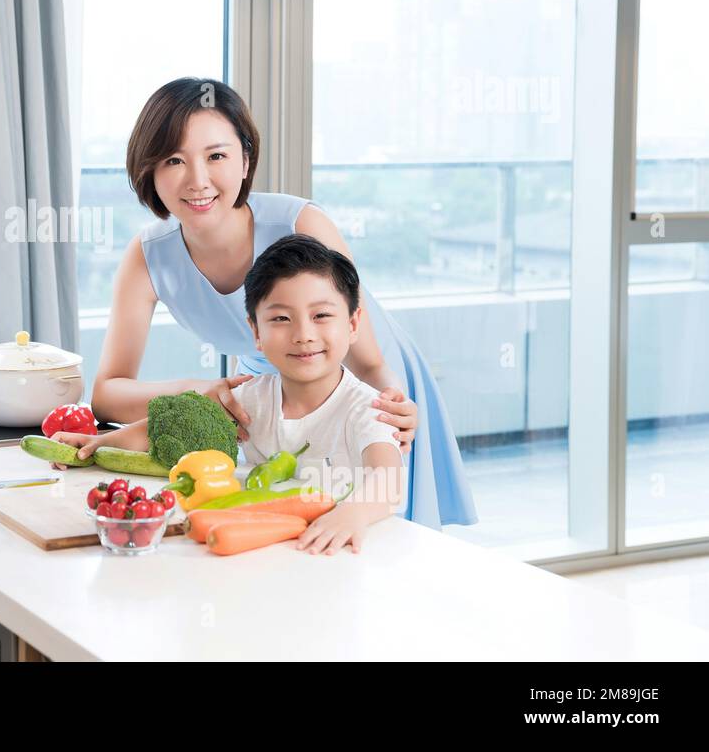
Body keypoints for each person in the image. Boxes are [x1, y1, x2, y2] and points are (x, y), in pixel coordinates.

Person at [90, 77, 475, 528]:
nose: (198, 180)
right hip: (267, 393)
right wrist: (198, 393)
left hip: (356, 376)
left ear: (245, 159)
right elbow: (107, 393)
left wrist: (394, 406)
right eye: (174, 160)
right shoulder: (148, 255)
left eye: (216, 155)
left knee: (370, 527)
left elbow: (368, 362)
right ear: (149, 170)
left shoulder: (301, 223)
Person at [56, 233, 406, 554]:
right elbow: (169, 431)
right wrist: (97, 444)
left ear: (353, 324)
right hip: (269, 551)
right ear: (255, 332)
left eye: (321, 315)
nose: (303, 334)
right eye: (281, 319)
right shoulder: (250, 398)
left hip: (345, 551)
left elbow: (387, 479)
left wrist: (353, 514)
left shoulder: (367, 407)